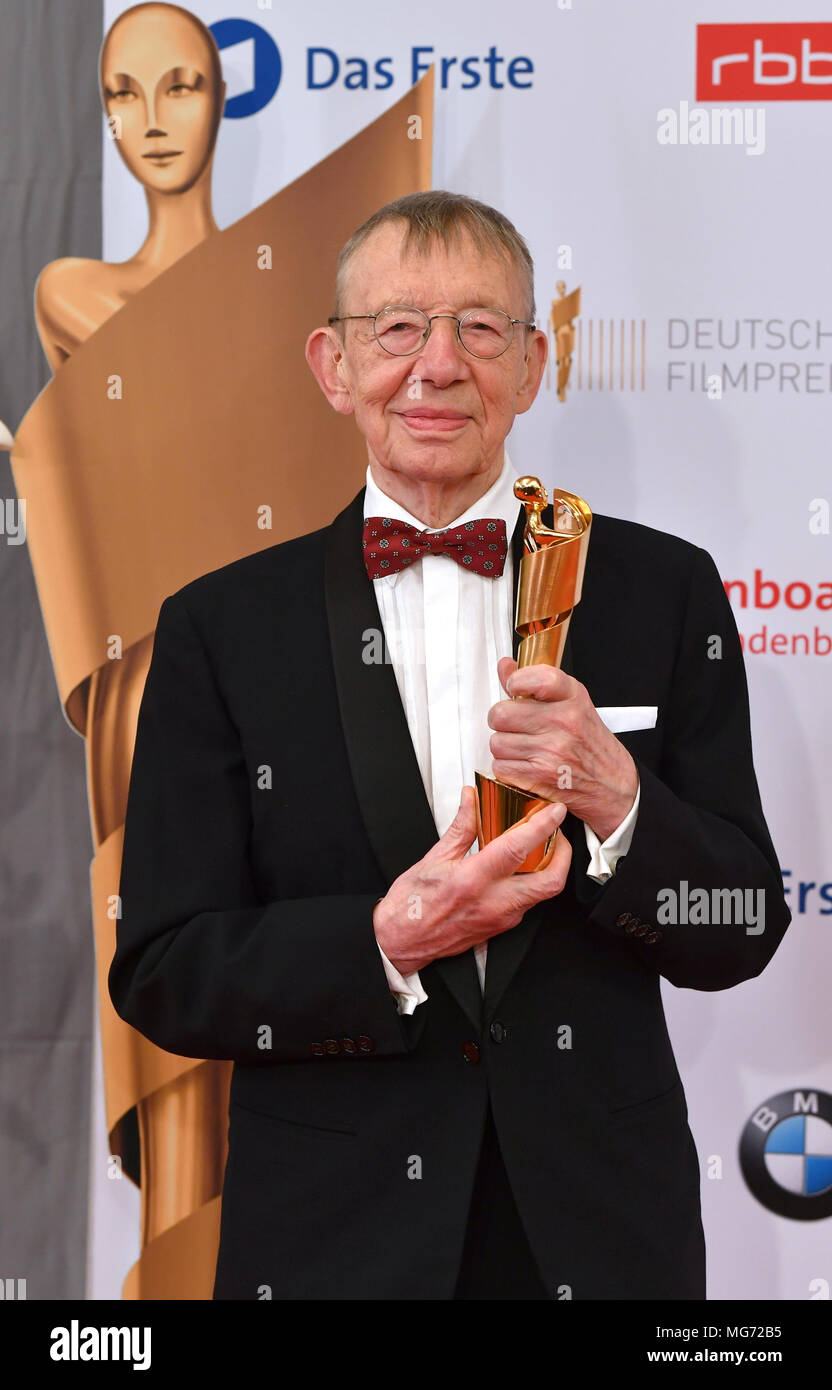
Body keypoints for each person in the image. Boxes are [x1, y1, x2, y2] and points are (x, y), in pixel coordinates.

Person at [109, 190, 790, 1300]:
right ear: (332, 367)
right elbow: (166, 971)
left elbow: (740, 924)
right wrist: (384, 940)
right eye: (396, 329)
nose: (436, 366)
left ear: (531, 365)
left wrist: (619, 800)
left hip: (602, 1236)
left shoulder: (662, 591)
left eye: (479, 328)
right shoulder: (219, 628)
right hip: (332, 1246)